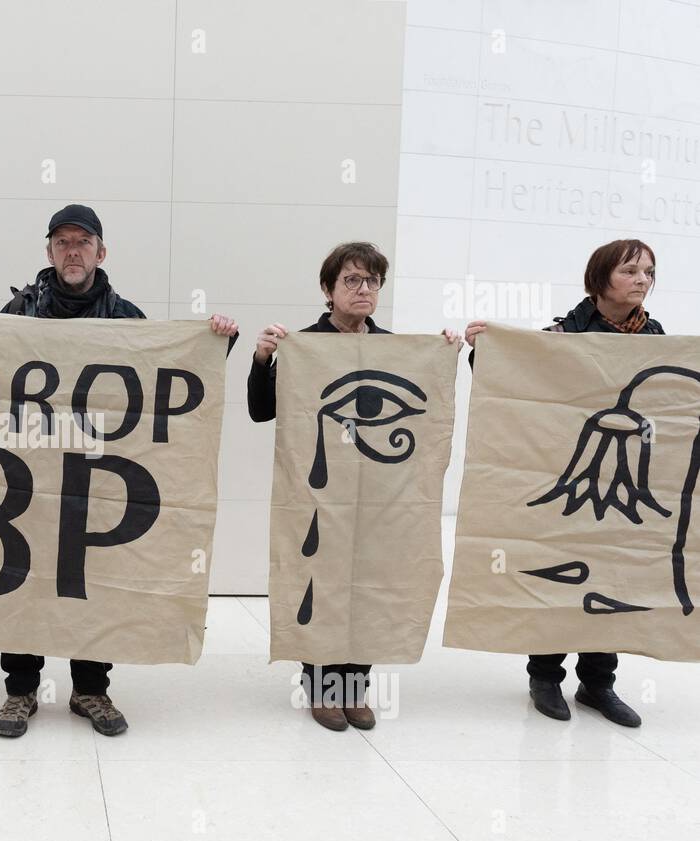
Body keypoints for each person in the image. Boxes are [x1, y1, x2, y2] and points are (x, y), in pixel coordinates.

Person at [0, 203, 238, 738]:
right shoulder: (17, 311)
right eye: (62, 242)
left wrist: (217, 339)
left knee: (93, 578)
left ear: (100, 252)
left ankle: (91, 689)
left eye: (82, 242)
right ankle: (20, 690)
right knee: (20, 575)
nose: (72, 251)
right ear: (48, 252)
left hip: (96, 474)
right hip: (29, 474)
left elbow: (172, 380)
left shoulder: (126, 317)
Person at [248, 241, 460, 732]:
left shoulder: (394, 348)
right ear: (329, 289)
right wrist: (263, 360)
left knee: (371, 580)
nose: (363, 289)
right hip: (319, 495)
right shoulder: (303, 344)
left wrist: (445, 350)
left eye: (372, 281)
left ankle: (356, 687)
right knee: (321, 580)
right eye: (351, 280)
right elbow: (262, 411)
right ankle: (321, 685)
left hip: (381, 498)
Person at [464, 238, 660, 729]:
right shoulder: (565, 331)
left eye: (649, 273)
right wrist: (483, 351)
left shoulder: (656, 336)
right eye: (631, 271)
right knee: (559, 571)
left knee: (612, 577)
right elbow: (518, 389)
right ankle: (545, 677)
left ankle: (598, 683)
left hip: (628, 485)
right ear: (601, 278)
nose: (642, 280)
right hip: (568, 479)